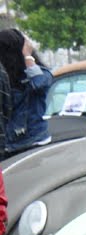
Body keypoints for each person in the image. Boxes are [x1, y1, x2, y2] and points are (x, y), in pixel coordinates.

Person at [0, 30, 52, 158]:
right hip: (9, 146)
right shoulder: (3, 79)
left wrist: (28, 56)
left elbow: (39, 83)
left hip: (34, 143)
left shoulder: (37, 73)